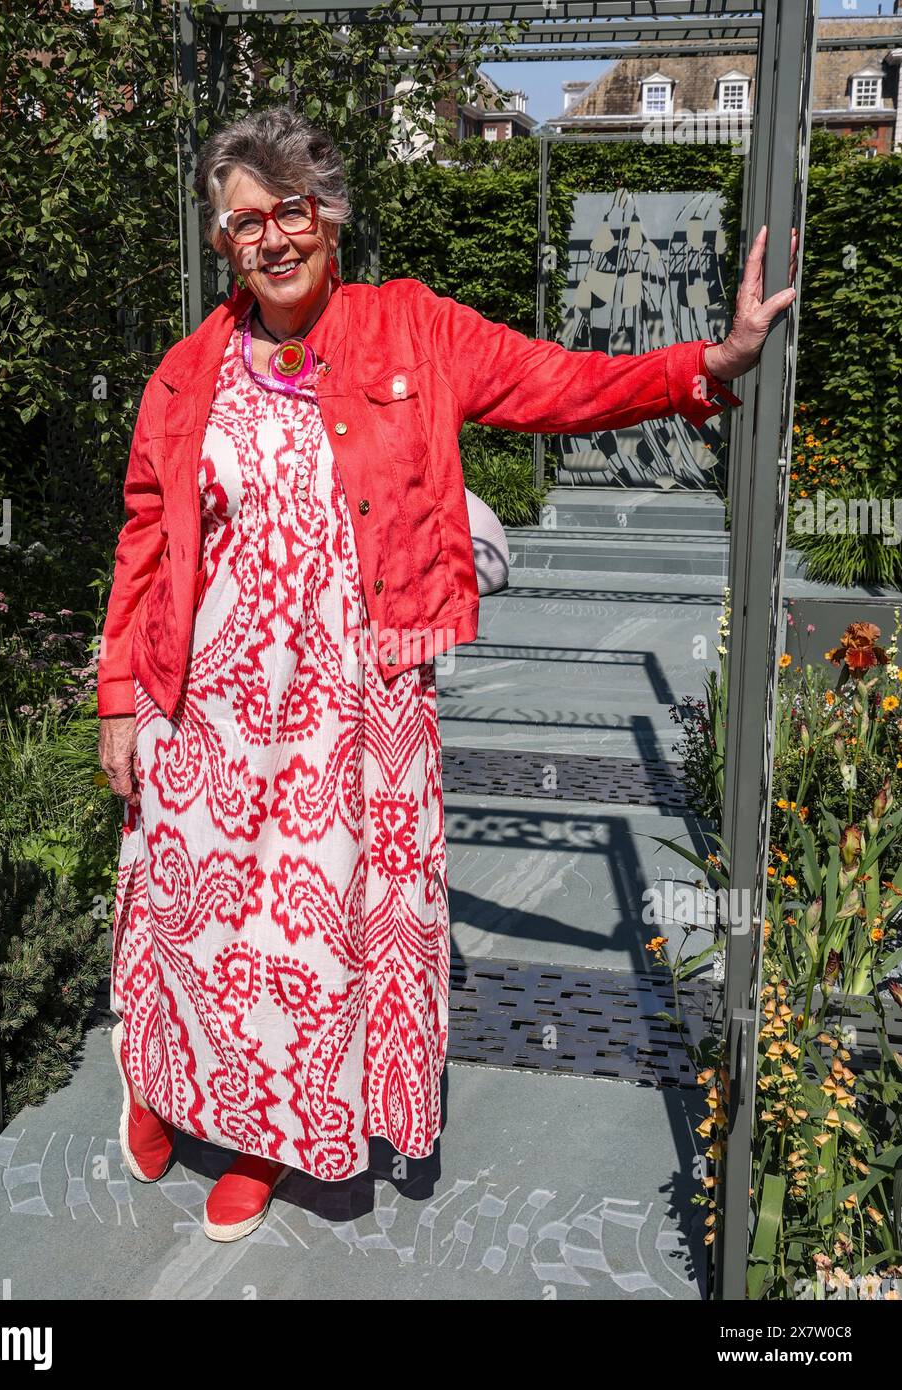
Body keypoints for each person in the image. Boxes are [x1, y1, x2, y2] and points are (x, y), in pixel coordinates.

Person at [97, 104, 797, 1243]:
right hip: (209, 704)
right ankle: (160, 1075)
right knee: (190, 918)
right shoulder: (185, 375)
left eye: (291, 211)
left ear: (326, 216)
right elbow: (142, 539)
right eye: (243, 222)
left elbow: (555, 382)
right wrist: (120, 698)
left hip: (351, 707)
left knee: (304, 933)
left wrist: (701, 370)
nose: (271, 238)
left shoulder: (409, 328)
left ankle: (268, 1135)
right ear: (221, 240)